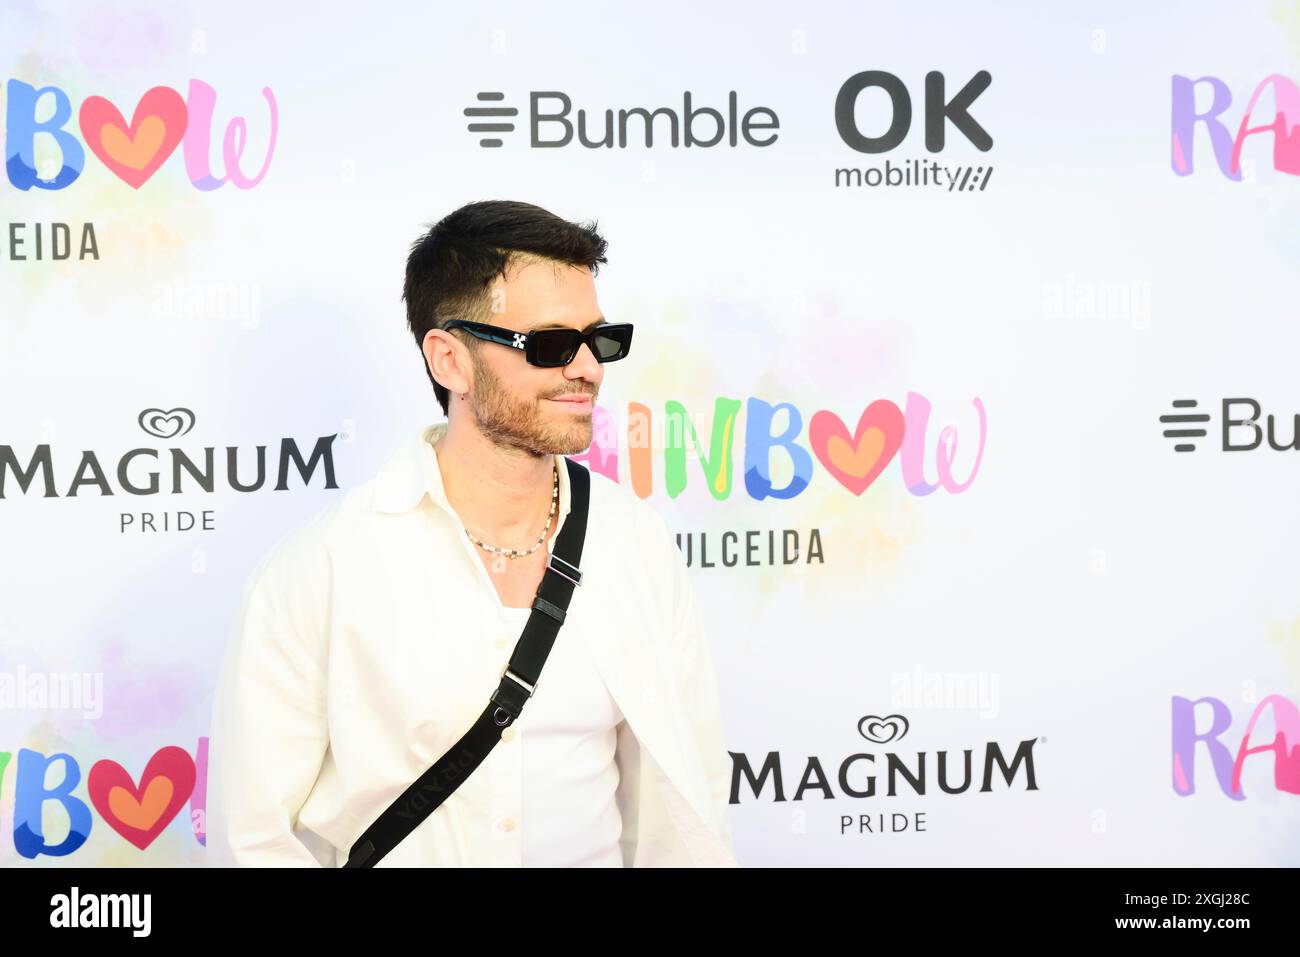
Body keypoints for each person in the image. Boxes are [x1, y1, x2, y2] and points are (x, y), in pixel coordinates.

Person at [207, 199, 737, 867]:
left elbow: (684, 818)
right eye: (549, 344)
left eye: (599, 340)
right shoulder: (321, 571)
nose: (589, 369)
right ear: (450, 361)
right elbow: (252, 841)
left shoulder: (638, 548)